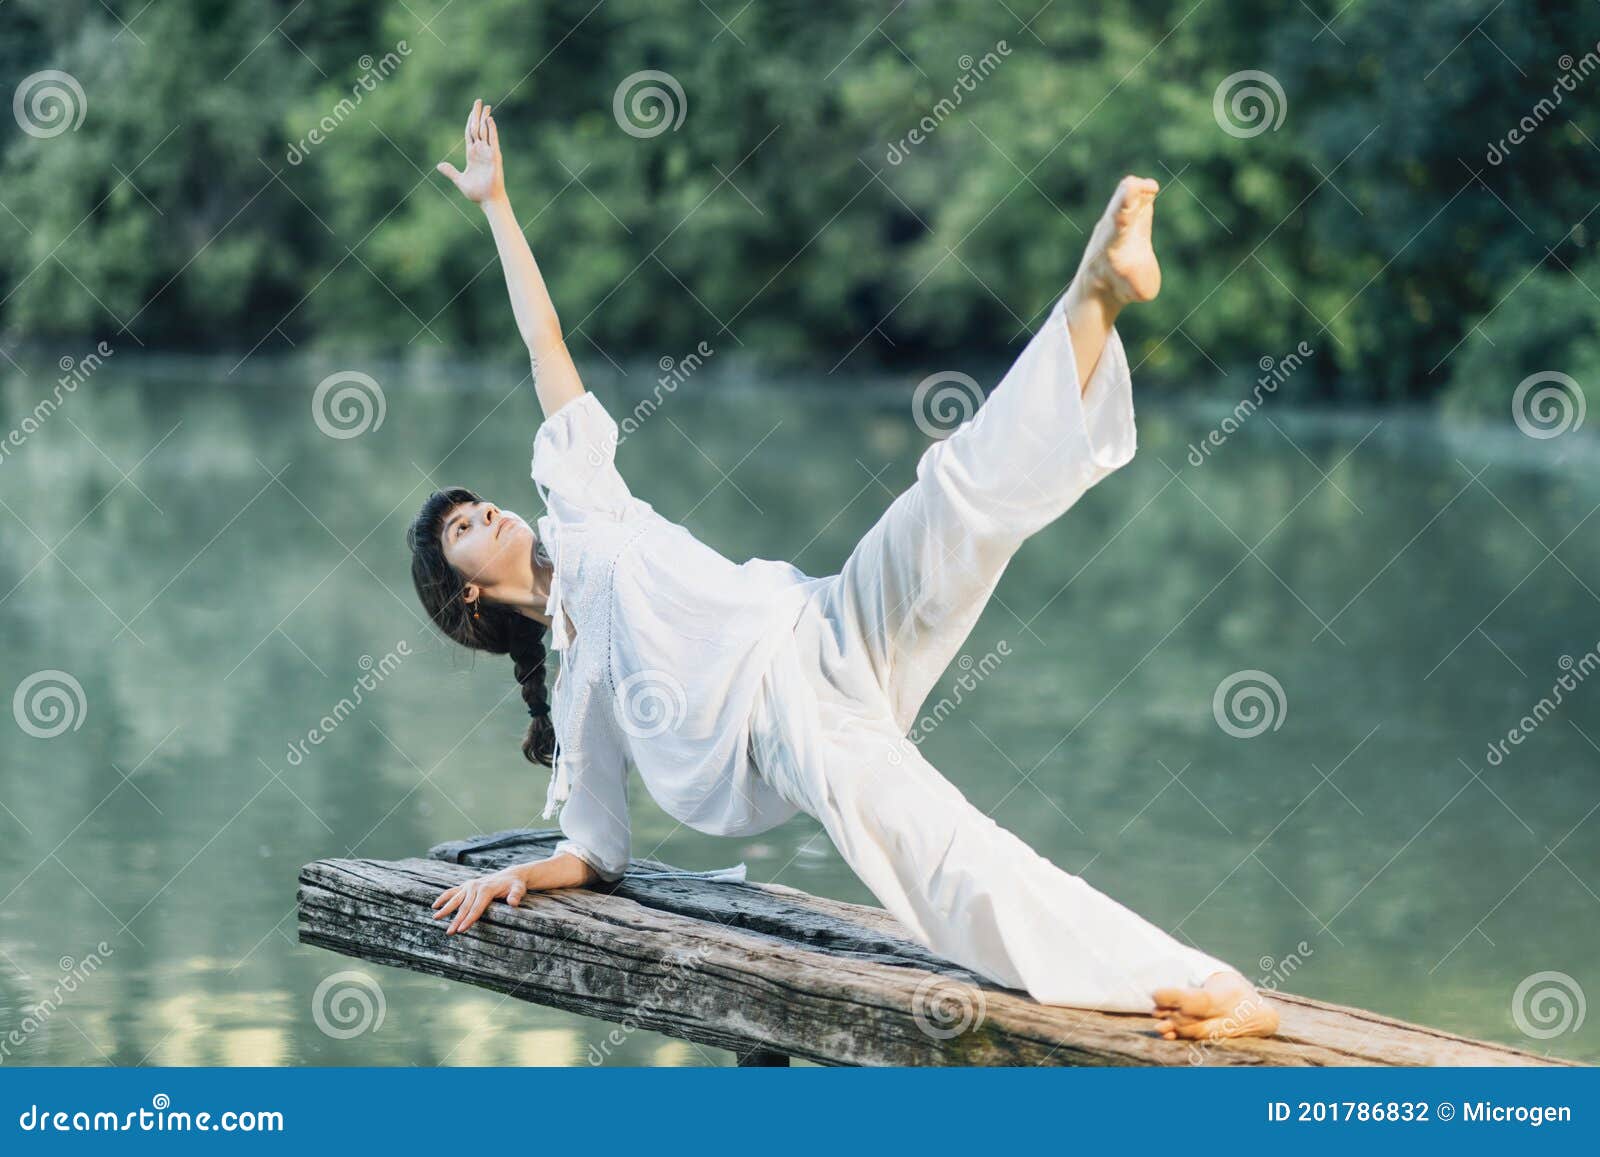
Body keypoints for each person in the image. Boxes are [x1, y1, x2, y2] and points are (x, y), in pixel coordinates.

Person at [412, 101, 1278, 1041]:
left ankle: (1096, 294)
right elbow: (596, 848)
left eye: (478, 501)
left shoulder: (581, 502)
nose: (488, 510)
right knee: (936, 849)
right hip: (781, 719)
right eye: (464, 525)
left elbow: (547, 346)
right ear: (464, 591)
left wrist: (497, 205)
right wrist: (517, 873)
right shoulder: (578, 685)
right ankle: (1197, 980)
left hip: (819, 621)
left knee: (954, 497)